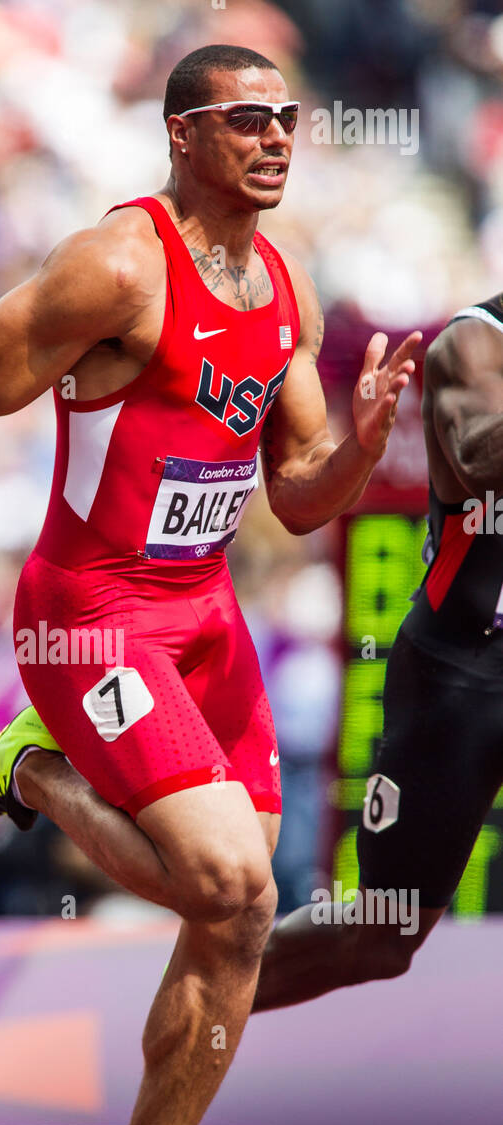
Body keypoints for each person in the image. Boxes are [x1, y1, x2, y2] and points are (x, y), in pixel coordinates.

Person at [0, 44, 419, 1125]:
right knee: (230, 886)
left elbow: (300, 499)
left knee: (237, 918)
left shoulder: (285, 287)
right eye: (247, 118)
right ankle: (28, 774)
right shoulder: (116, 264)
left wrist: (364, 446)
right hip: (91, 615)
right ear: (181, 135)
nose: (276, 137)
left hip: (205, 619)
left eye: (287, 117)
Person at [252, 292, 503, 1012]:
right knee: (380, 936)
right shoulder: (474, 343)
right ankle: (199, 999)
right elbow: (481, 458)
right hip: (463, 676)